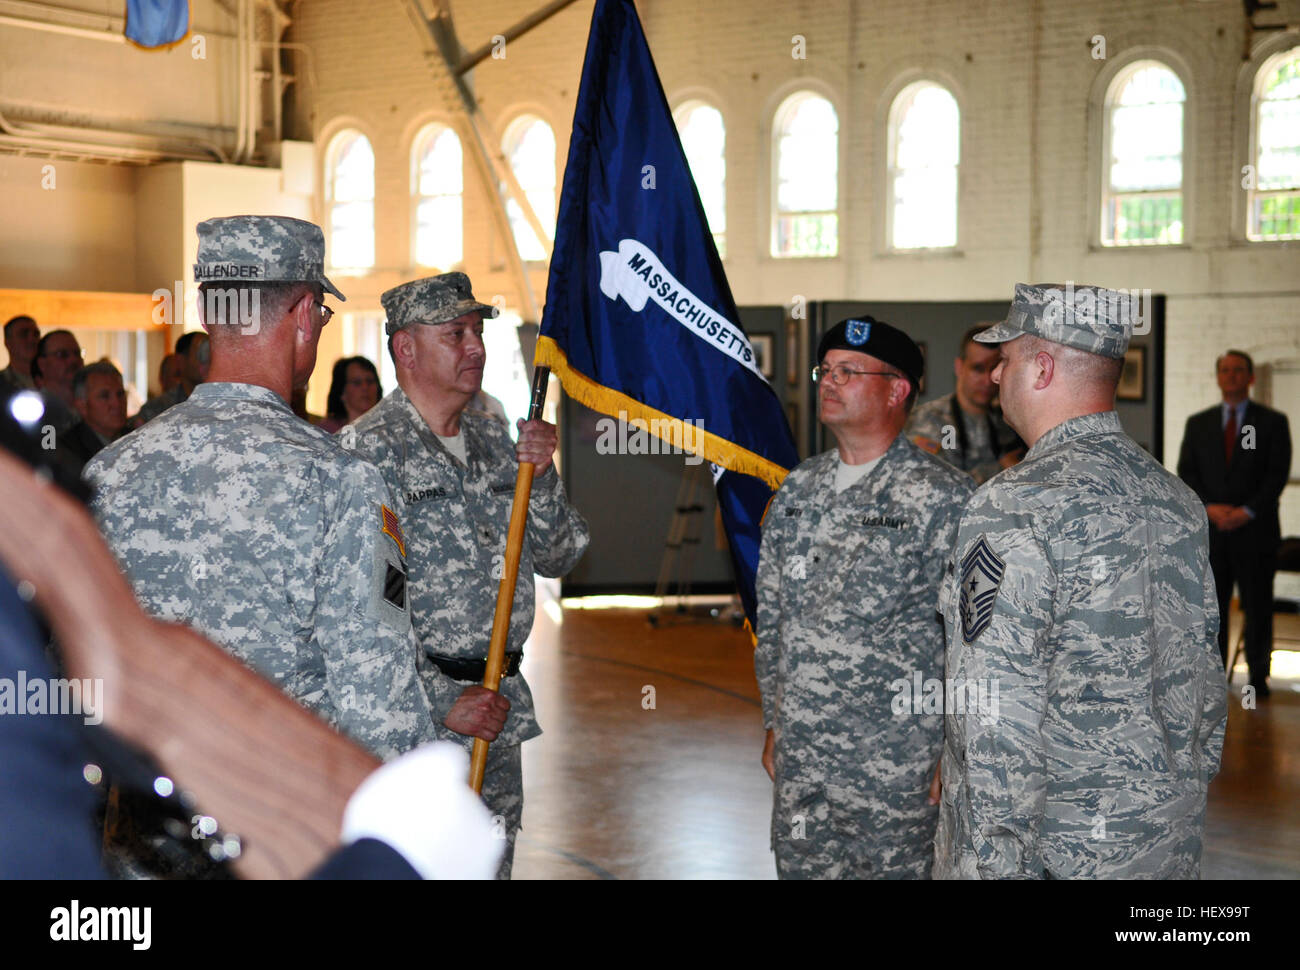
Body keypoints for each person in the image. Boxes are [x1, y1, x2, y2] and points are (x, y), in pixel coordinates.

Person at [85, 216, 501, 766]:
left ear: (211, 314)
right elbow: (376, 704)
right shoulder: (341, 481)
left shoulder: (106, 473)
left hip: (147, 826)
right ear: (306, 315)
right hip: (287, 826)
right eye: (323, 315)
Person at [934, 282, 1227, 880]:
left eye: (1005, 360)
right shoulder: (1177, 500)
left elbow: (993, 711)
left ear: (1041, 368)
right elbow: (1205, 687)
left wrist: (990, 864)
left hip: (1051, 852)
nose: (993, 377)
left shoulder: (1014, 505)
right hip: (1161, 844)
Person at [344, 272, 590, 879]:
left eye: (477, 332)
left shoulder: (494, 439)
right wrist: (442, 698)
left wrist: (544, 473)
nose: (475, 347)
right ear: (406, 349)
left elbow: (561, 556)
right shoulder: (368, 454)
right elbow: (362, 607)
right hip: (416, 723)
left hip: (498, 709)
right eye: (455, 334)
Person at [754, 316, 973, 879]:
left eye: (848, 372)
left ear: (897, 389)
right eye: (826, 370)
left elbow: (973, 639)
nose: (829, 381)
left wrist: (956, 751)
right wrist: (775, 722)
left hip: (897, 767)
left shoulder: (946, 499)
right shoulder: (798, 489)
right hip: (804, 760)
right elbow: (773, 620)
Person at [1177, 351, 1292, 697]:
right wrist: (1210, 509)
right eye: (1225, 370)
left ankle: (1258, 677)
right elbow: (1187, 471)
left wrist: (1246, 511)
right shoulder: (1199, 424)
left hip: (1254, 531)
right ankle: (1213, 676)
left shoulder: (1270, 422)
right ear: (1217, 377)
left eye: (1238, 370)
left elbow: (1275, 474)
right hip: (1213, 532)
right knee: (1213, 608)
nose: (1231, 376)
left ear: (1250, 377)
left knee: (1258, 606)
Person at [906, 325, 1025, 483]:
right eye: (978, 368)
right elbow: (928, 482)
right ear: (959, 367)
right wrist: (1005, 469)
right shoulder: (927, 419)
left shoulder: (1009, 422)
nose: (987, 380)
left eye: (994, 368)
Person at [57, 360, 129, 473]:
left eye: (120, 394)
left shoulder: (137, 437)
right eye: (105, 396)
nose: (117, 403)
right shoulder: (67, 451)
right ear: (82, 406)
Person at [133, 331, 209, 425]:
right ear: (181, 360)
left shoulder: (217, 401)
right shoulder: (157, 410)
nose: (207, 359)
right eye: (201, 353)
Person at [31, 329, 83, 438]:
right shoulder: (37, 413)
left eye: (77, 354)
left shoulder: (87, 408)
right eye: (62, 355)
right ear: (42, 364)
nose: (73, 360)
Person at [321, 355, 382, 433]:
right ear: (341, 390)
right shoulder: (325, 432)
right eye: (357, 383)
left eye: (370, 381)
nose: (365, 387)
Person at [1, 315, 39, 392]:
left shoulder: (53, 381)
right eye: (23, 334)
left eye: (36, 334)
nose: (32, 340)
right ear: (8, 343)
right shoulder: (2, 382)